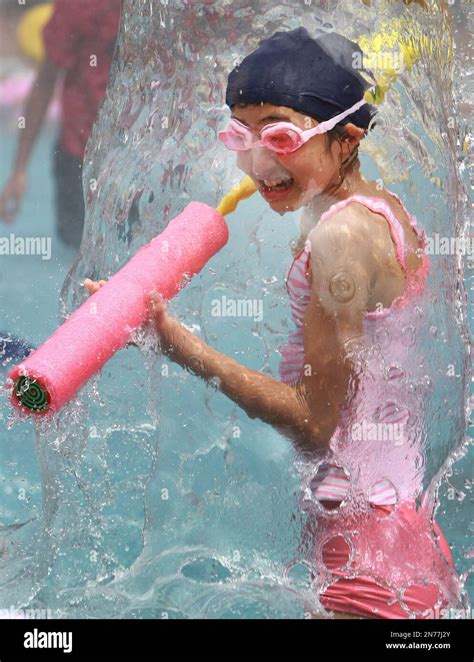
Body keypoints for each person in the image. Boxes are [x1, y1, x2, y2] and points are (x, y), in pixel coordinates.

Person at [84, 28, 460, 618]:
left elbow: (314, 423)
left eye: (281, 134)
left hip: (366, 562)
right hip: (397, 540)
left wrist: (177, 344)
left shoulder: (340, 238)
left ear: (345, 141)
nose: (257, 159)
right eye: (242, 133)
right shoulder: (382, 214)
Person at [0, 0, 121, 249]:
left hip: (131, 157)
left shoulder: (157, 9)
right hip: (78, 156)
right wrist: (20, 169)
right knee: (78, 254)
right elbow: (45, 81)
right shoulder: (76, 6)